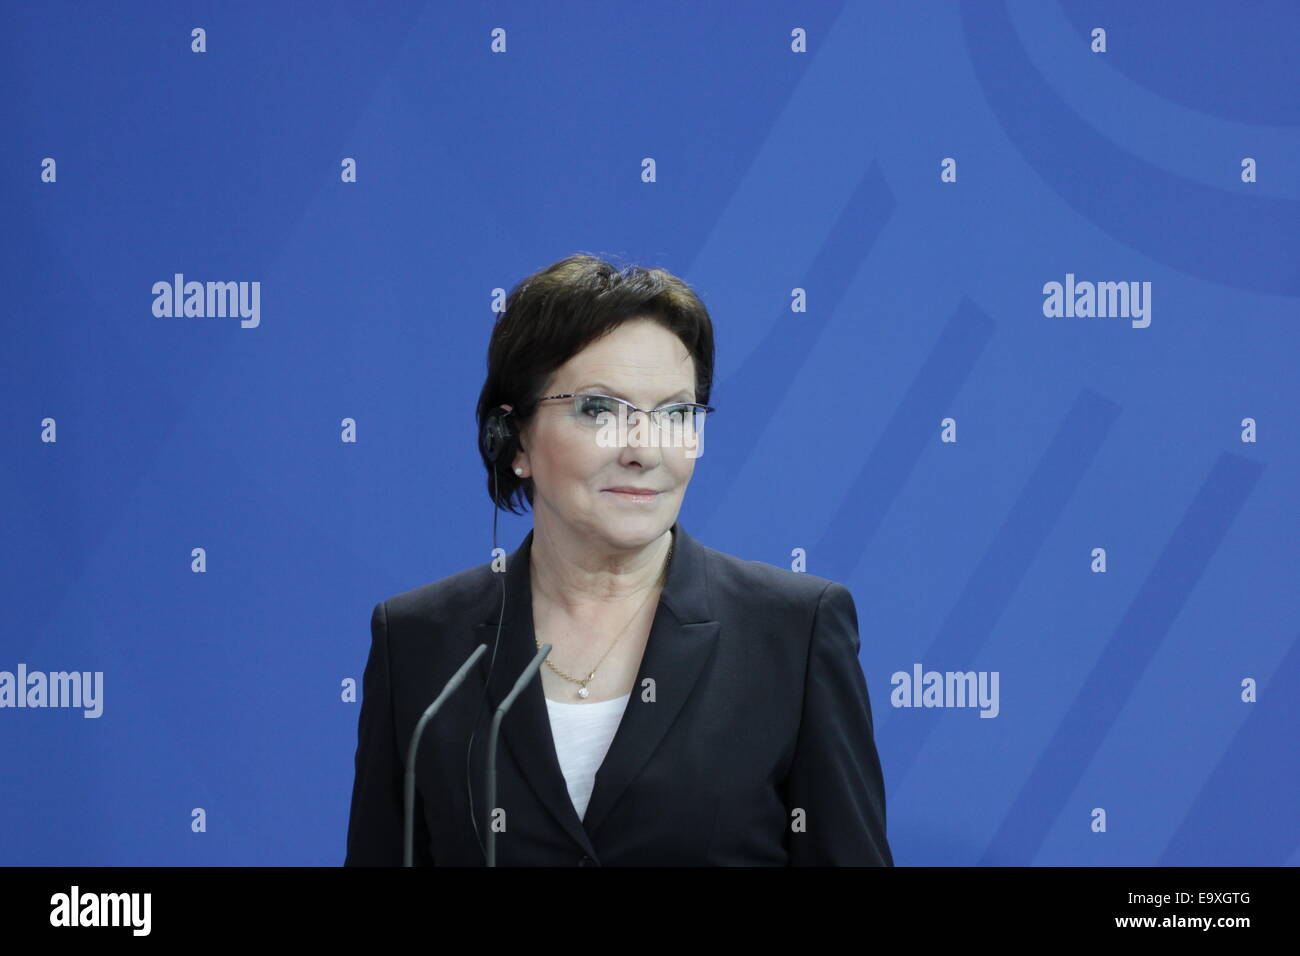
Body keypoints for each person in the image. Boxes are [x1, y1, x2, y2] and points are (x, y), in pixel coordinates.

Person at [344, 253, 893, 866]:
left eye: (675, 414)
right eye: (599, 410)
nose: (643, 450)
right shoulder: (419, 640)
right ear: (513, 437)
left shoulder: (794, 632)